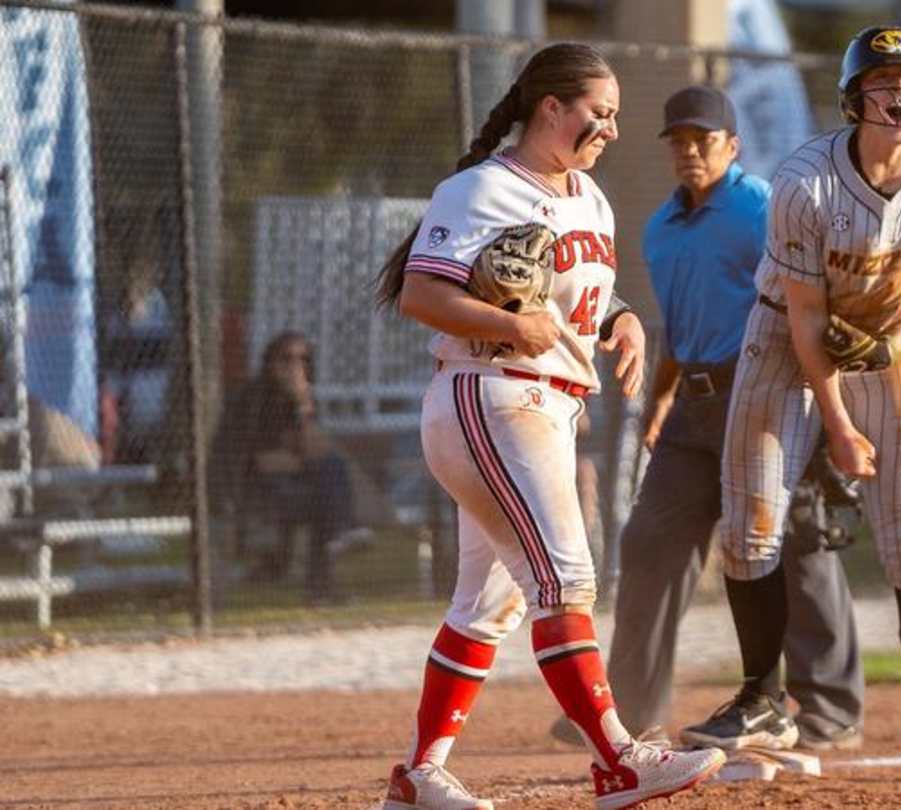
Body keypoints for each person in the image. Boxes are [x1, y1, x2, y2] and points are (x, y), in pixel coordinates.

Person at [372, 43, 724, 810]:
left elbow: (576, 298)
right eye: (599, 114)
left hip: (543, 408)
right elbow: (424, 296)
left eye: (616, 117)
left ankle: (419, 776)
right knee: (565, 577)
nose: (611, 130)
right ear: (550, 109)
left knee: (487, 604)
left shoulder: (587, 197)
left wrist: (623, 320)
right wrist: (509, 325)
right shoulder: (479, 189)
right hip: (492, 395)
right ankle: (618, 760)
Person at [679, 26, 901, 786]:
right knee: (750, 523)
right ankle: (763, 697)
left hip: (890, 341)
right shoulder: (804, 182)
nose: (900, 93)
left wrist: (889, 347)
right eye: (883, 80)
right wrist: (840, 427)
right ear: (853, 98)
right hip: (788, 339)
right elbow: (809, 319)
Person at [550, 85, 866, 752]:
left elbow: (812, 306)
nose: (690, 150)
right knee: (649, 542)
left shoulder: (761, 210)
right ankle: (627, 707)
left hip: (767, 396)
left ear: (732, 145)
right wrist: (660, 400)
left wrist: (822, 406)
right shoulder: (662, 226)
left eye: (704, 138)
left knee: (796, 541)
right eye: (679, 139)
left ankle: (830, 707)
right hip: (691, 407)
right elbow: (679, 324)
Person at [211, 331, 362, 604]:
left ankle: (328, 564)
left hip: (284, 486)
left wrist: (303, 405)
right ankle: (335, 548)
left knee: (331, 471)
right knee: (327, 486)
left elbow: (315, 451)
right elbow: (261, 462)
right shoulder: (253, 399)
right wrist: (298, 460)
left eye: (303, 360)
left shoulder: (296, 401)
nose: (296, 367)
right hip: (246, 492)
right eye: (287, 359)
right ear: (271, 362)